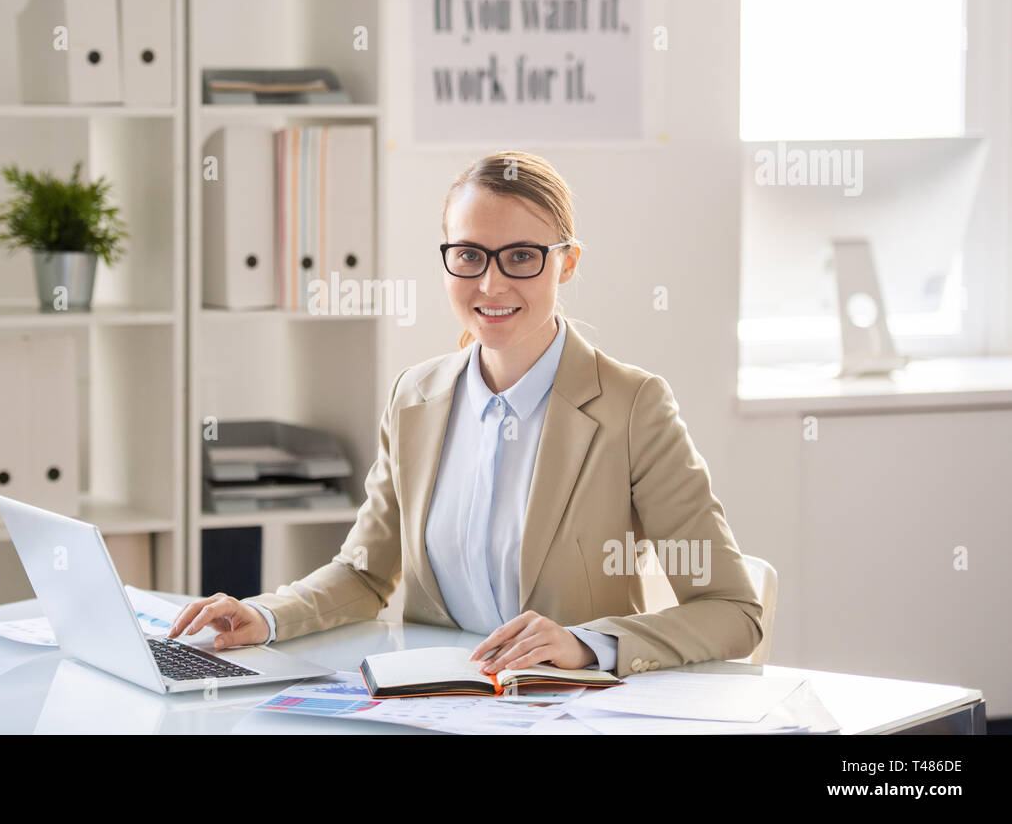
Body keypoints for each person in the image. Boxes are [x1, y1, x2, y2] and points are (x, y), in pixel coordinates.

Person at [168, 150, 763, 678]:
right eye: (470, 255)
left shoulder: (632, 407)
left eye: (522, 256)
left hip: (571, 716)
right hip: (438, 707)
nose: (492, 283)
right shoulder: (414, 398)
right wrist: (265, 615)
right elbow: (365, 575)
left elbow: (732, 611)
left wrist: (585, 644)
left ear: (568, 262)